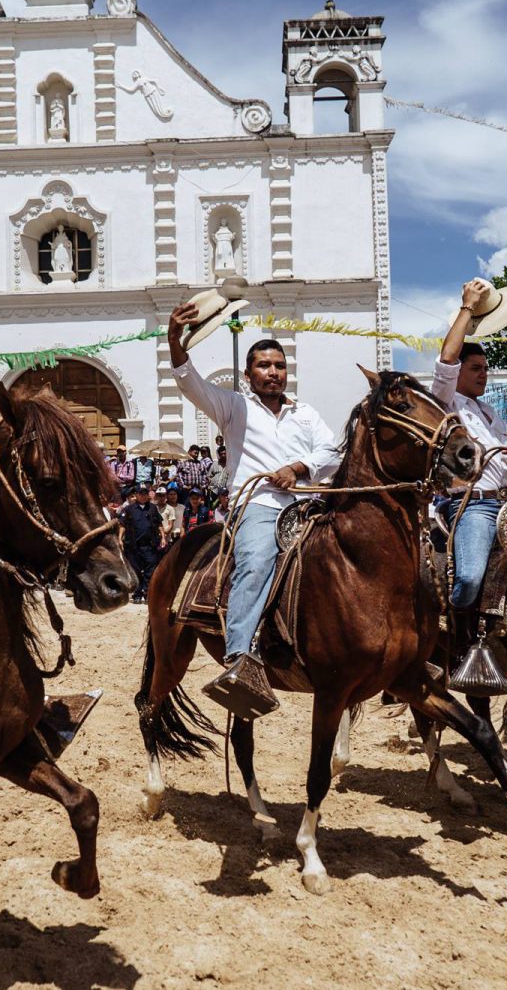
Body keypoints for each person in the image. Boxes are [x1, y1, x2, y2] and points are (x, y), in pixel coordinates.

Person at [167, 299, 339, 719]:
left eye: (278, 365)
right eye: (263, 366)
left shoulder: (306, 413)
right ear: (249, 374)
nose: (273, 372)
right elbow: (188, 381)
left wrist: (298, 467)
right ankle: (240, 659)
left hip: (310, 504)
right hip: (260, 505)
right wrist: (174, 339)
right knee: (257, 560)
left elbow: (332, 451)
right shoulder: (233, 406)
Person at [430, 279, 507, 696]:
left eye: (486, 369)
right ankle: (450, 640)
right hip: (472, 506)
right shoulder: (445, 400)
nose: (484, 375)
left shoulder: (490, 412)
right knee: (469, 577)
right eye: (477, 369)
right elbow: (447, 359)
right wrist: (468, 310)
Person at [120, 484, 164, 603]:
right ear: (136, 495)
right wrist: (120, 538)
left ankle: (147, 592)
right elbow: (122, 525)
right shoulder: (129, 509)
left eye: (145, 493)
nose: (143, 496)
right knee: (136, 570)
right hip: (133, 545)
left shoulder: (153, 508)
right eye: (141, 493)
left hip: (149, 545)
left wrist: (163, 538)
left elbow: (159, 523)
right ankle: (137, 594)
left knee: (151, 569)